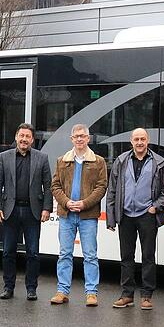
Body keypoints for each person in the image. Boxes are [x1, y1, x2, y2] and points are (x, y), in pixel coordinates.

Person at [106, 128, 164, 310]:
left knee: (148, 256)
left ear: (147, 140)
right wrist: (111, 217)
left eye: (142, 139)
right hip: (125, 215)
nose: (139, 142)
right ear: (131, 141)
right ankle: (127, 295)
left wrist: (156, 207)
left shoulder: (160, 163)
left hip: (147, 215)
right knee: (126, 257)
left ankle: (146, 296)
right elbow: (112, 190)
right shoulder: (121, 161)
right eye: (136, 139)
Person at [0, 123, 53, 301]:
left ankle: (31, 289)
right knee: (8, 252)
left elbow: (48, 186)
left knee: (33, 253)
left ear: (32, 140)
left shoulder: (42, 158)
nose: (24, 139)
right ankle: (8, 287)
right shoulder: (4, 157)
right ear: (16, 137)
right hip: (10, 211)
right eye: (21, 135)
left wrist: (47, 208)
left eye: (28, 136)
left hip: (33, 211)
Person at [50, 124, 107, 306]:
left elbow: (101, 187)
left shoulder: (98, 161)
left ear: (88, 138)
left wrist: (84, 203)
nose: (80, 139)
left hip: (88, 215)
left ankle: (91, 293)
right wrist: (66, 202)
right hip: (66, 214)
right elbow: (55, 186)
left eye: (83, 136)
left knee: (90, 255)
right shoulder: (62, 161)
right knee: (64, 254)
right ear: (72, 139)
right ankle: (62, 291)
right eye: (76, 136)